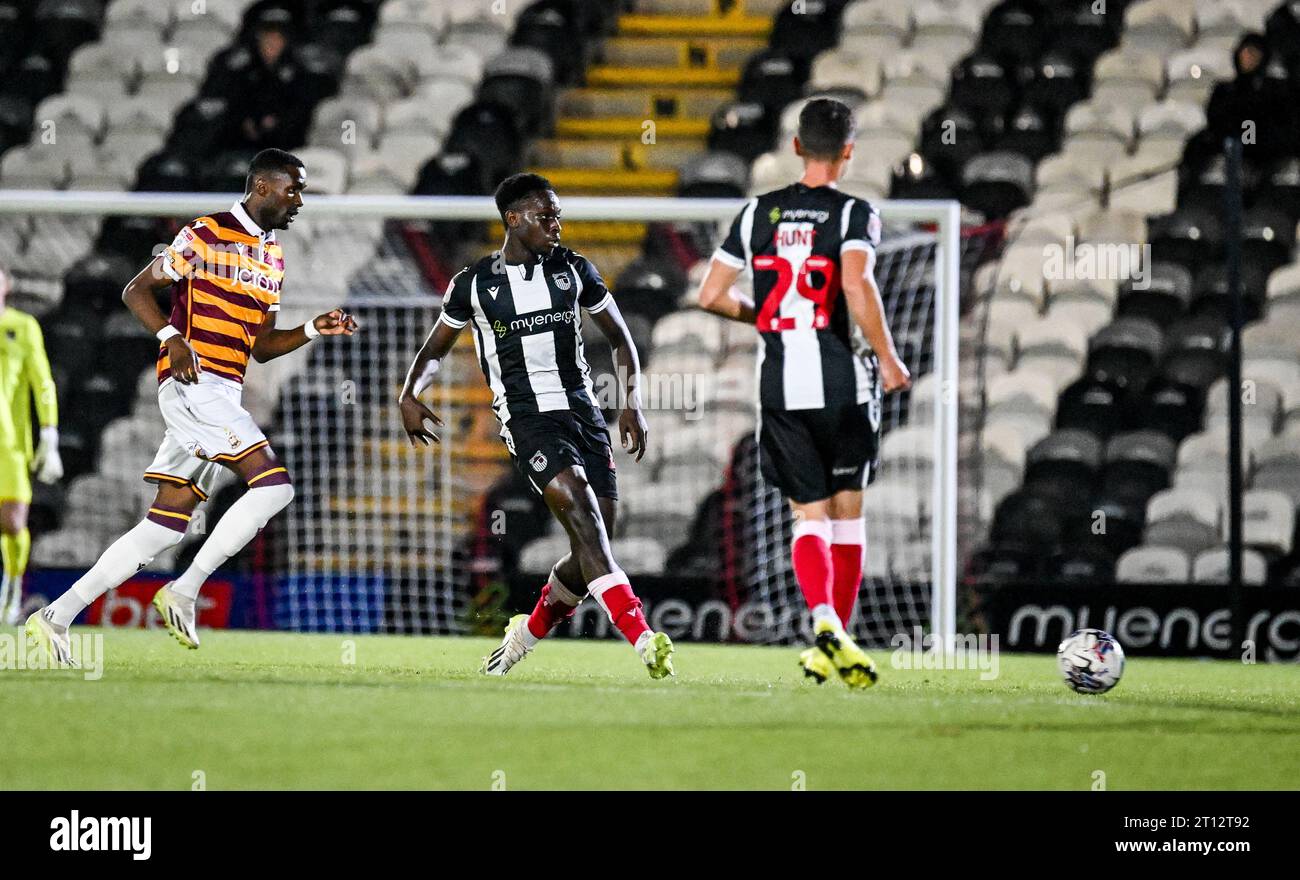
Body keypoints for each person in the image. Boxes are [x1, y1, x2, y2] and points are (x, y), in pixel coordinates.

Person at [28, 149, 357, 665]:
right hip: (193, 383)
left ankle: (54, 616)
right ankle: (185, 589)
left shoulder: (272, 256)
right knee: (275, 487)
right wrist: (170, 337)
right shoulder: (207, 231)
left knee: (164, 525)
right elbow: (136, 289)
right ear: (262, 188)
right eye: (293, 189)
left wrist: (315, 327)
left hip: (224, 389)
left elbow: (263, 346)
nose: (299, 201)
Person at [398, 173, 674, 680]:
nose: (556, 224)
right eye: (545, 215)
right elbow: (435, 349)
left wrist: (631, 402)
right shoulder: (474, 283)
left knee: (593, 545)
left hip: (584, 415)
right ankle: (644, 639)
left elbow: (621, 338)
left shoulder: (574, 270)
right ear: (513, 218)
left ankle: (519, 640)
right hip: (527, 420)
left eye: (558, 215)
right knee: (587, 524)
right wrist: (409, 393)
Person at [695, 97, 911, 689]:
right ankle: (835, 633)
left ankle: (823, 630)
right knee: (848, 513)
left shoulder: (756, 214)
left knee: (807, 517)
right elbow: (857, 282)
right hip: (842, 379)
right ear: (848, 153)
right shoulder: (854, 214)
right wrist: (888, 358)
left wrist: (765, 317)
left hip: (781, 384)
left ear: (795, 148)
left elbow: (710, 295)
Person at [0, 264, 62, 625]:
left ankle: (11, 585)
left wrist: (49, 436)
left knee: (11, 522)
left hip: (9, 443)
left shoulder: (22, 327)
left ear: (6, 285)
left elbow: (42, 383)